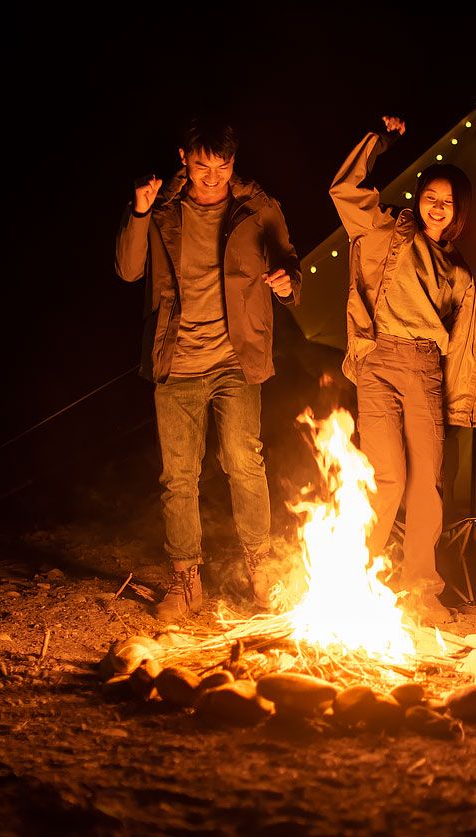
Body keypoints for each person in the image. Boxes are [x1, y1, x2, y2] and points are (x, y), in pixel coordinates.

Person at [329, 115, 476, 623]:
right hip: (378, 361)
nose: (437, 206)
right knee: (388, 478)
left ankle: (420, 590)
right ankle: (351, 578)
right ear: (418, 199)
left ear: (458, 212)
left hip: (424, 369)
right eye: (430, 196)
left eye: (448, 201)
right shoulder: (384, 230)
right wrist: (380, 141)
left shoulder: (455, 268)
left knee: (428, 484)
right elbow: (345, 189)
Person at [115, 116, 301, 619]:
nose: (213, 177)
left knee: (244, 462)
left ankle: (261, 568)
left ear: (233, 162)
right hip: (177, 361)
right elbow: (128, 270)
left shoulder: (257, 207)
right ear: (184, 158)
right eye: (202, 166)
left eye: (223, 166)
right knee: (178, 476)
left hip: (236, 358)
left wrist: (287, 283)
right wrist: (139, 210)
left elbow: (290, 263)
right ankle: (185, 579)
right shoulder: (162, 207)